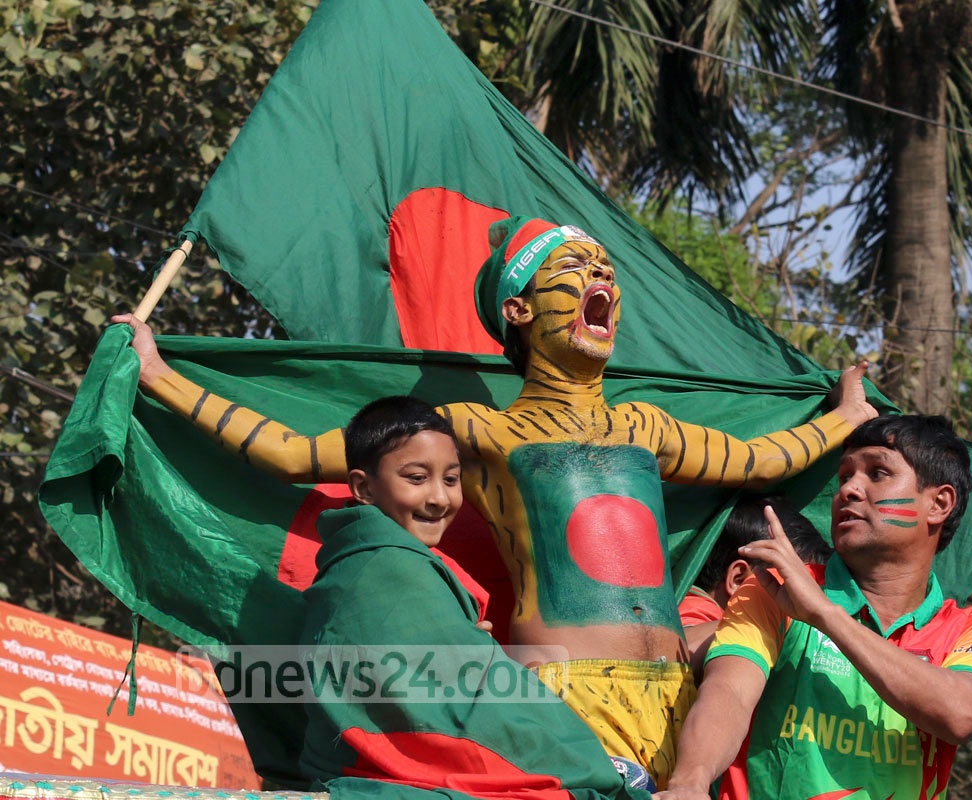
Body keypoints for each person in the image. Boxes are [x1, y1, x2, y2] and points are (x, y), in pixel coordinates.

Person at [110, 215, 879, 785]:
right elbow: (289, 453)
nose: (599, 278)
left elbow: (759, 458)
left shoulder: (648, 427)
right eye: (572, 270)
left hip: (682, 704)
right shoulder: (476, 432)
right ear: (519, 311)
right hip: (567, 701)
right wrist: (159, 377)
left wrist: (844, 420)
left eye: (604, 267)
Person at [299, 395, 643, 800]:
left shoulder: (394, 562)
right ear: (363, 487)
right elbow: (463, 704)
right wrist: (585, 763)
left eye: (450, 479)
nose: (440, 498)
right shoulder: (381, 569)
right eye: (415, 478)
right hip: (385, 767)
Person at [657, 415, 972, 800]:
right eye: (844, 477)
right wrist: (689, 783)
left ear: (939, 503)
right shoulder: (776, 588)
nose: (850, 490)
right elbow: (730, 692)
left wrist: (825, 615)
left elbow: (962, 714)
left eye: (878, 473)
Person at [677, 495, 831, 800]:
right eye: (788, 584)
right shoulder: (698, 611)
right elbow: (668, 649)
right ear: (737, 578)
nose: (800, 600)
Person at [680, 494, 831, 675]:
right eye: (789, 588)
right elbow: (674, 650)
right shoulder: (694, 612)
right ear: (738, 579)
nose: (801, 602)